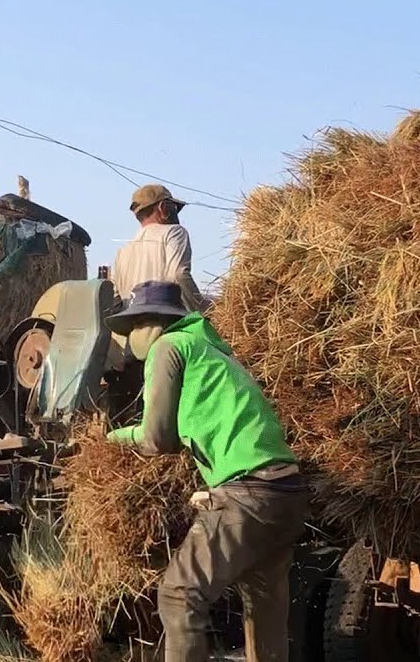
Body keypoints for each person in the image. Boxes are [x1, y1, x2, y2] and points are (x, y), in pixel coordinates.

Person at [104, 280, 308, 662]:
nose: (129, 338)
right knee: (263, 611)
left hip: (249, 494)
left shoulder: (169, 346)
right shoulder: (211, 351)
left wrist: (113, 436)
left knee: (179, 594)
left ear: (151, 324)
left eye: (132, 328)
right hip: (285, 494)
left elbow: (157, 438)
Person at [110, 184, 210, 313]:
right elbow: (178, 274)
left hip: (132, 327)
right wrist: (202, 309)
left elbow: (114, 298)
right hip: (166, 322)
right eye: (174, 207)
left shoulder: (122, 252)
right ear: (163, 208)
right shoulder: (174, 232)